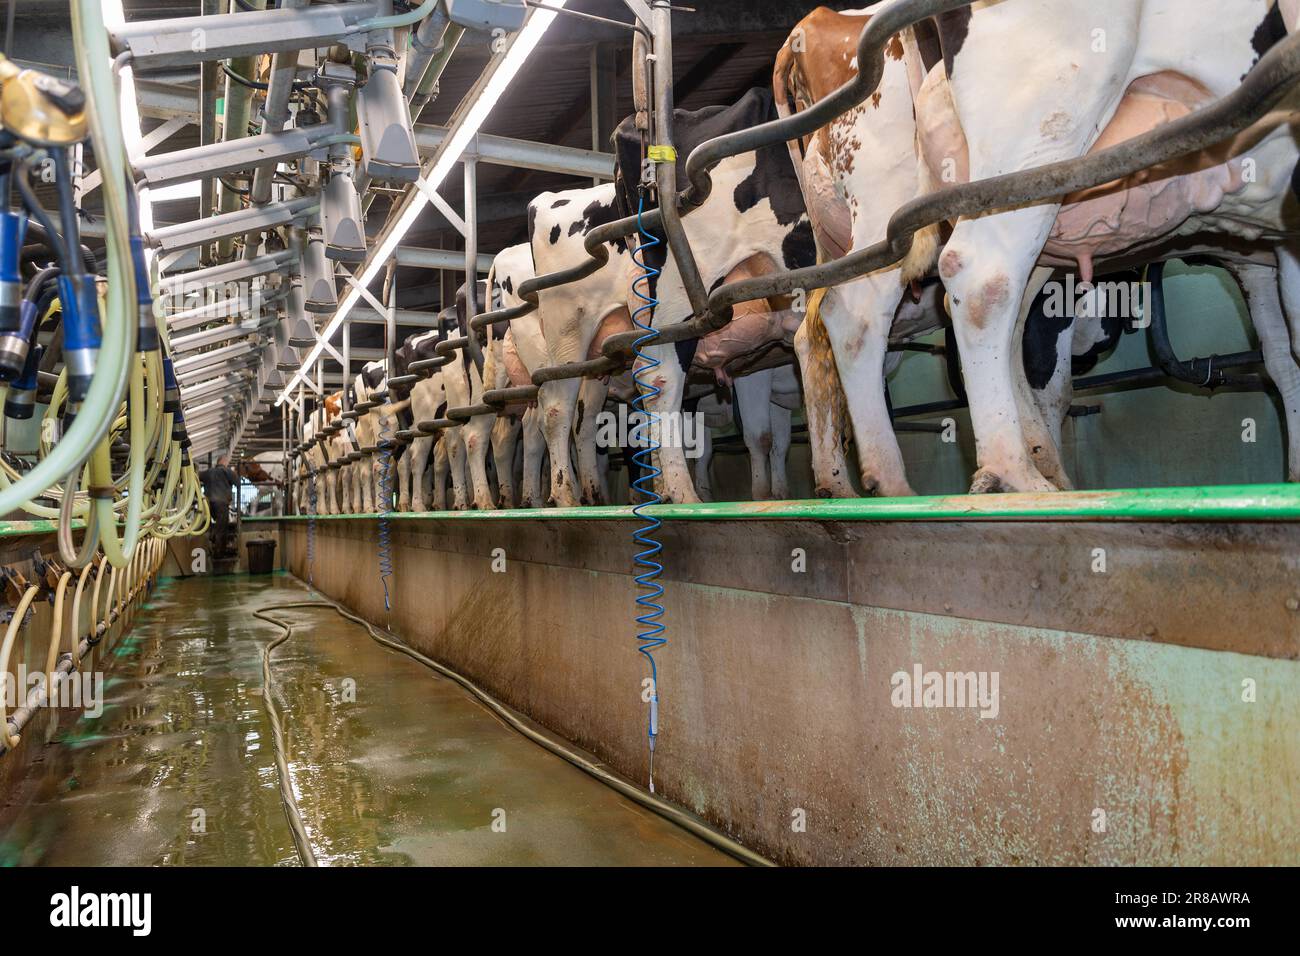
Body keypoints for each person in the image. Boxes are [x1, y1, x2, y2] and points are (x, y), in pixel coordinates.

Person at [199, 455, 240, 555]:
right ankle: (218, 548)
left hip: (208, 503)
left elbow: (197, 477)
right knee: (222, 526)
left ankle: (216, 545)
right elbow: (238, 483)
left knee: (218, 523)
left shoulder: (208, 472)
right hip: (221, 502)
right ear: (224, 462)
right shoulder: (227, 471)